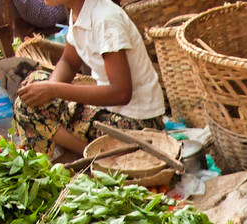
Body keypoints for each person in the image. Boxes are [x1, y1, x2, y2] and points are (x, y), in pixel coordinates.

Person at [13, 0, 164, 158]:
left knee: (25, 108)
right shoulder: (79, 13)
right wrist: (47, 88)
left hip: (138, 123)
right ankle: (97, 150)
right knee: (33, 89)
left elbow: (121, 93)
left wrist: (54, 90)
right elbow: (69, 62)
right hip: (112, 109)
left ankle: (99, 154)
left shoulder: (105, 19)